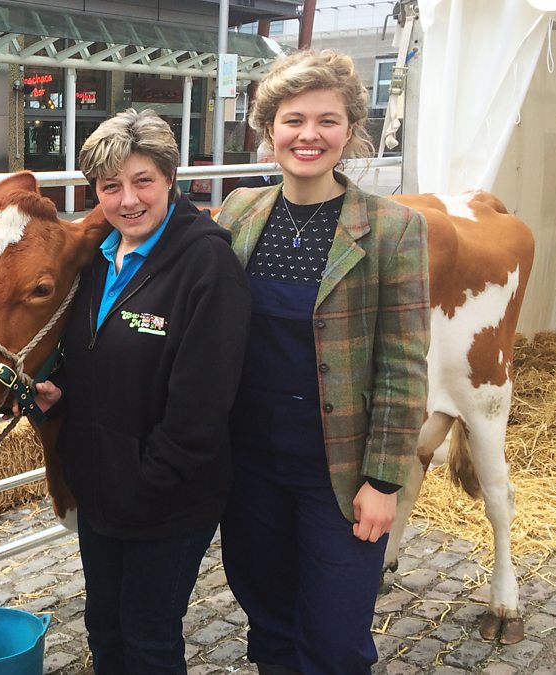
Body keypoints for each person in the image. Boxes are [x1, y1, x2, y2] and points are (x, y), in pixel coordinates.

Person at [212, 49, 430, 675]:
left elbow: (404, 365)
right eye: (293, 120)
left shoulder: (393, 229)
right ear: (269, 129)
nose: (309, 135)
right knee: (266, 613)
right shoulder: (239, 211)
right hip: (251, 464)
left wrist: (384, 482)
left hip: (337, 471)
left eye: (327, 120)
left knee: (335, 636)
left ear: (350, 129)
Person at [36, 109, 250, 673]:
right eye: (111, 186)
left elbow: (202, 405)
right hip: (102, 489)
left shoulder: (207, 265)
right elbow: (94, 357)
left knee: (149, 637)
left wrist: (146, 482)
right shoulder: (99, 259)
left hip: (167, 500)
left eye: (143, 181)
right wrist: (61, 392)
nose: (128, 200)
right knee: (104, 627)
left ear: (171, 179)